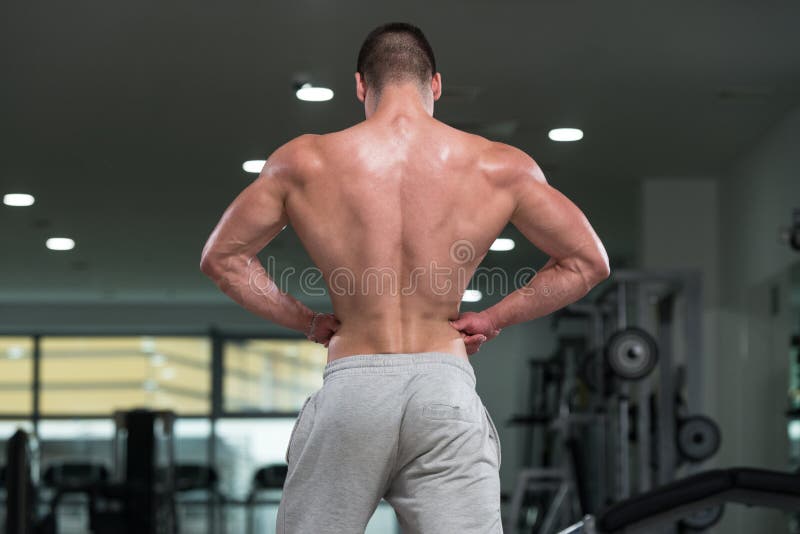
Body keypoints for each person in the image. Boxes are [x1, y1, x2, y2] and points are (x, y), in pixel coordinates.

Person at [200, 22, 609, 534]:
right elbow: (587, 261)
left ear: (359, 86)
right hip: (444, 385)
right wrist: (492, 318)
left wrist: (306, 321)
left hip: (354, 385)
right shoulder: (497, 165)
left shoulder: (304, 160)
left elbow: (223, 258)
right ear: (435, 84)